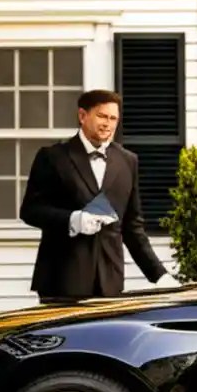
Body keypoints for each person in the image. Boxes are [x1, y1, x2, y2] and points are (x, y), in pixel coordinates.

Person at [20, 89, 170, 302]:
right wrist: (73, 219)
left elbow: (132, 227)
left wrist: (159, 275)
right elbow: (30, 211)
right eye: (102, 116)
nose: (107, 124)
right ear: (82, 116)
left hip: (110, 283)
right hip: (61, 281)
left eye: (113, 118)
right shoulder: (53, 157)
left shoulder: (128, 161)